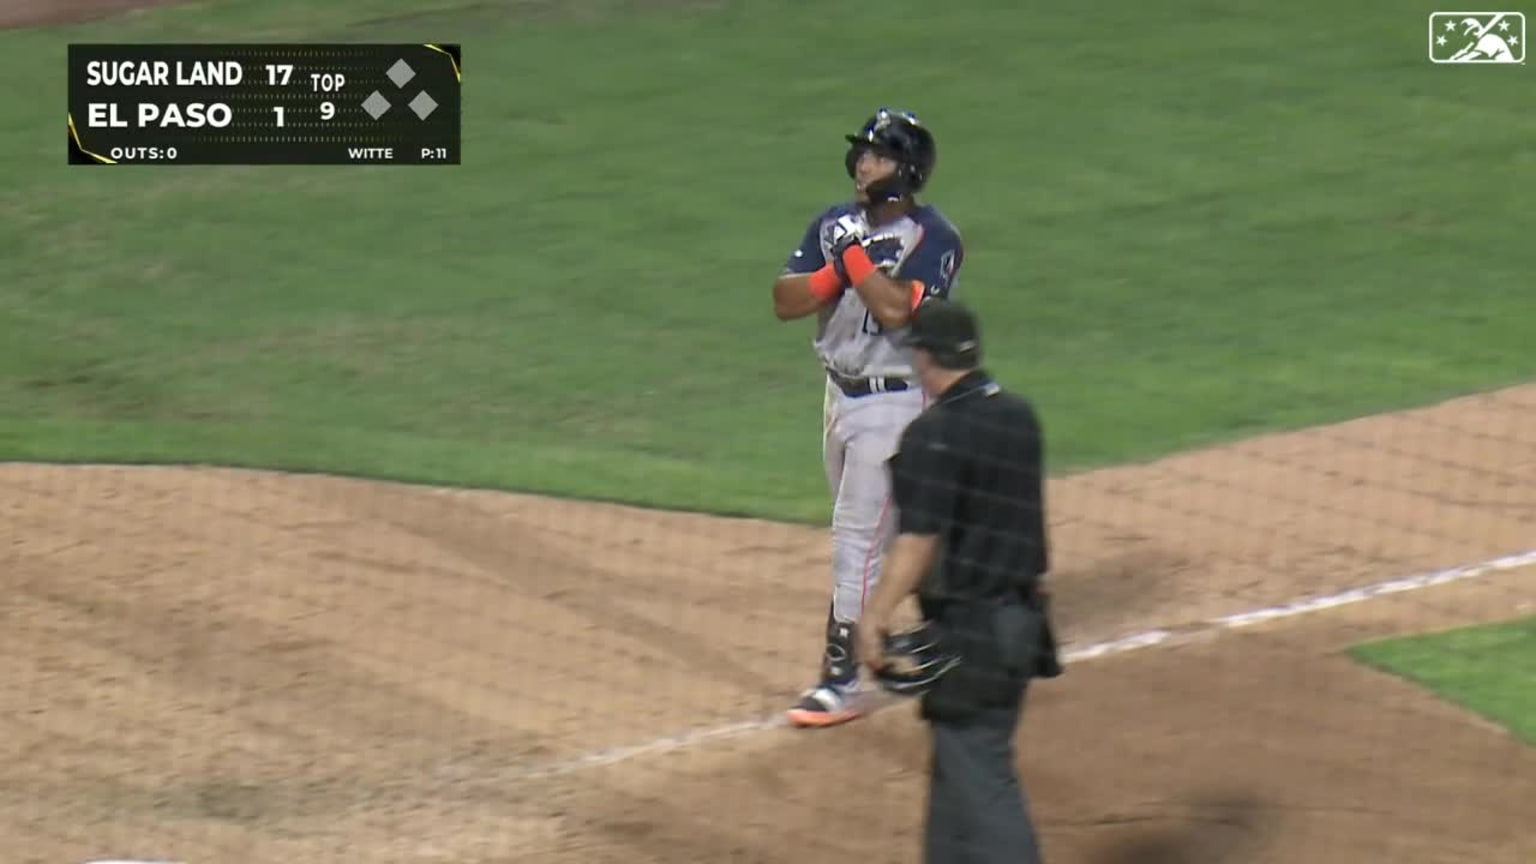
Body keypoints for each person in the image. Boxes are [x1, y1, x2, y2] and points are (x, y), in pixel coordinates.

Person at [771, 108, 967, 728]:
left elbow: (894, 311)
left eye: (878, 155)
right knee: (897, 531)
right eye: (862, 153)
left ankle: (842, 678)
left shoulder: (934, 238)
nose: (863, 163)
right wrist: (838, 266)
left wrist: (851, 260)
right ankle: (959, 625)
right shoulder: (832, 223)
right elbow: (784, 299)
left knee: (858, 538)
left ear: (906, 169)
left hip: (896, 404)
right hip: (838, 396)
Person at [858, 298, 1063, 863]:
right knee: (957, 766)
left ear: (925, 357)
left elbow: (919, 541)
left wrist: (875, 616)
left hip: (974, 632)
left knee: (980, 768)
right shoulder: (1019, 415)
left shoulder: (933, 436)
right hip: (1021, 624)